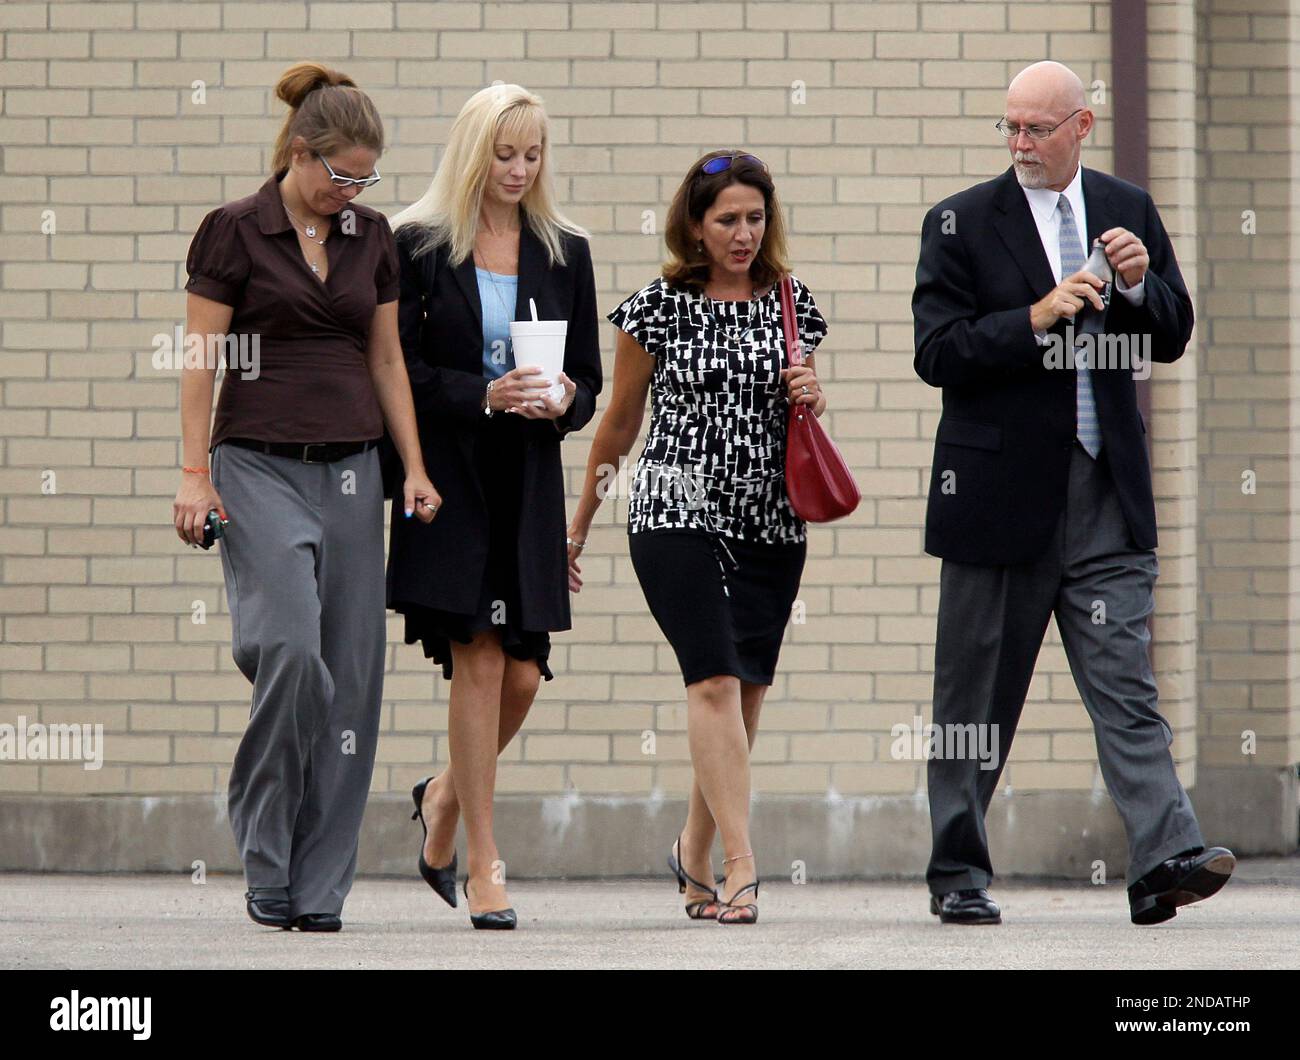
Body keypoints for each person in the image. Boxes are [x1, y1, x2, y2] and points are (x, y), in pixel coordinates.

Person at [911, 60, 1233, 926]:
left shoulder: (1127, 208)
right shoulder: (961, 221)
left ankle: (1163, 861)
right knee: (973, 701)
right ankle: (958, 873)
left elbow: (1172, 332)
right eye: (1009, 127)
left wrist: (1136, 285)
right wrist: (1035, 318)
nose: (1019, 144)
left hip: (1105, 490)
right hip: (997, 493)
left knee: (1127, 687)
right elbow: (937, 352)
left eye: (1036, 129)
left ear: (1080, 127)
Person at [174, 62, 439, 933]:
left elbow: (388, 359)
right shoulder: (233, 231)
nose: (353, 191)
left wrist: (414, 466)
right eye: (341, 174)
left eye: (368, 178)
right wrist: (192, 472)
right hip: (255, 465)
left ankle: (317, 890)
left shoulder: (372, 238)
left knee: (353, 683)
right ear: (299, 151)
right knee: (289, 650)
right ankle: (265, 850)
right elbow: (201, 360)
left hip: (357, 471)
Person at [570, 151, 828, 925]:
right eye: (727, 220)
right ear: (694, 224)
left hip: (770, 519)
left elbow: (798, 418)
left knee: (743, 691)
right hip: (672, 506)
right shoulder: (655, 308)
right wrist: (577, 522)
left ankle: (691, 847)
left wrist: (810, 392)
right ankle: (742, 867)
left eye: (754, 218)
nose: (743, 234)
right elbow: (619, 422)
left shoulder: (794, 304)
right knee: (712, 680)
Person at [386, 84, 602, 929]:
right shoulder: (418, 244)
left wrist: (562, 401)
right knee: (476, 656)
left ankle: (443, 796)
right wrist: (484, 394)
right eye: (505, 153)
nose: (519, 170)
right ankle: (485, 864)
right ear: (474, 153)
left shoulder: (565, 250)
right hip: (450, 476)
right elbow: (395, 371)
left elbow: (587, 381)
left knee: (522, 670)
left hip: (528, 479)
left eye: (533, 155)